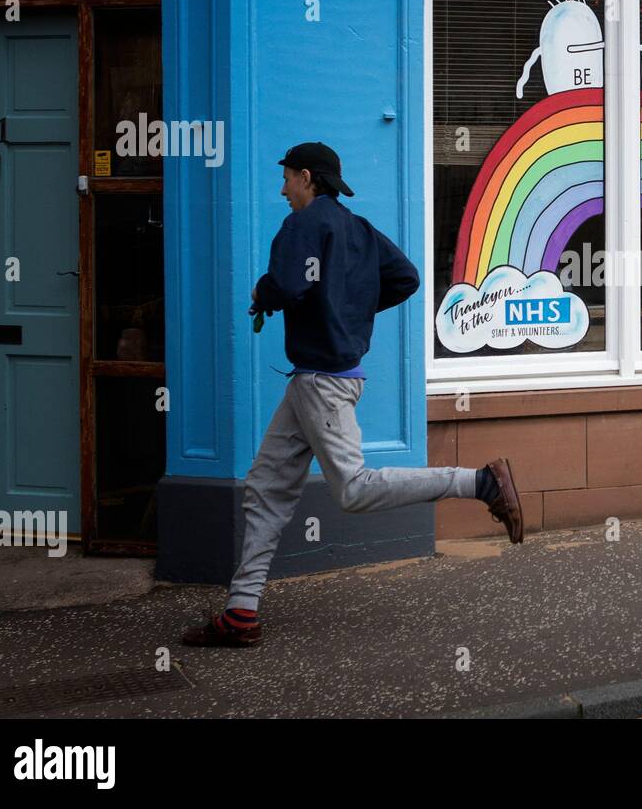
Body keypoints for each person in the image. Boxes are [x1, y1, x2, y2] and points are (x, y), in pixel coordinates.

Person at [182, 142, 523, 648]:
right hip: (314, 378)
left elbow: (288, 285)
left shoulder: (303, 225)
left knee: (354, 488)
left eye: (287, 180)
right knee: (265, 488)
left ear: (306, 177)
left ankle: (479, 482)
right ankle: (240, 613)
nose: (282, 190)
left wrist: (261, 294)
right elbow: (405, 277)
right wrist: (350, 306)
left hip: (322, 379)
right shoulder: (359, 228)